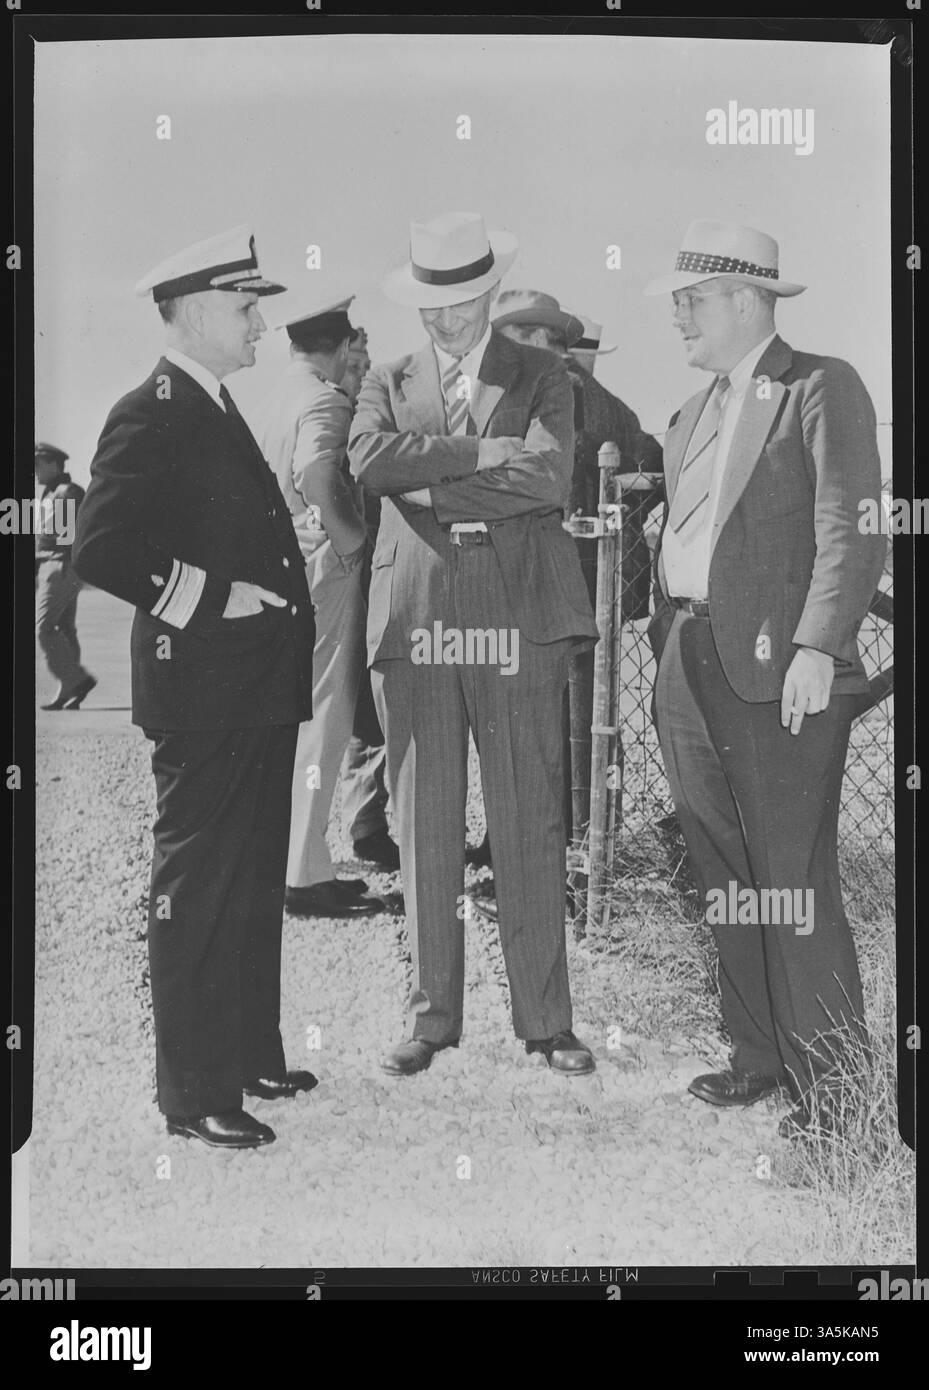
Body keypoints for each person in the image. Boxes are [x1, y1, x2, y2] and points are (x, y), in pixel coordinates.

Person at [72, 226, 317, 1150]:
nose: (260, 324)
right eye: (249, 307)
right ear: (204, 310)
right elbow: (104, 546)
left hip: (251, 686)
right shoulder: (155, 408)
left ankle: (249, 1051)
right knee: (201, 886)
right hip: (206, 689)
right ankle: (194, 1092)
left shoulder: (209, 404)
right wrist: (212, 597)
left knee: (249, 878)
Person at [643, 220, 886, 1136]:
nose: (678, 316)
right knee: (722, 869)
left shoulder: (819, 388)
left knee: (790, 877)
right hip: (687, 659)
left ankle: (835, 1101)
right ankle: (756, 1056)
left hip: (780, 671)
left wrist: (818, 647)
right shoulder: (695, 410)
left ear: (748, 300)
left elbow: (851, 526)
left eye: (692, 299)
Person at [349, 211, 599, 1077]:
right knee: (425, 820)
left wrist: (434, 492)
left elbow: (544, 477)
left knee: (529, 815)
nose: (448, 318)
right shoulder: (385, 377)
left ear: (490, 293)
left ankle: (545, 1021)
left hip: (519, 616)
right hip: (416, 619)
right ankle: (431, 1017)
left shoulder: (544, 374)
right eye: (433, 303)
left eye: (462, 301)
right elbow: (371, 461)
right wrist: (473, 451)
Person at [484, 290, 663, 859]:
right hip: (588, 591)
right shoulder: (602, 399)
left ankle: (550, 858)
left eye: (507, 340)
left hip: (544, 586)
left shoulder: (551, 393)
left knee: (542, 724)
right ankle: (575, 852)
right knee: (580, 722)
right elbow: (651, 462)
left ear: (536, 339)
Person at [254, 295, 383, 917]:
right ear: (337, 346)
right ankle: (302, 876)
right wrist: (354, 543)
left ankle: (294, 861)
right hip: (324, 570)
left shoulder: (276, 394)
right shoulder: (326, 400)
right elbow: (315, 472)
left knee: (292, 718)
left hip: (282, 568)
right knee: (323, 717)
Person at [338, 325, 401, 869]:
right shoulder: (338, 422)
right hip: (356, 590)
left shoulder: (368, 421)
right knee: (366, 716)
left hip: (374, 587)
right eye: (356, 363)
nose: (362, 374)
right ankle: (363, 825)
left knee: (369, 713)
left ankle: (366, 821)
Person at [35, 442, 96, 710]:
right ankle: (68, 692)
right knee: (65, 630)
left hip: (61, 567)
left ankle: (77, 680)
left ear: (54, 465)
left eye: (38, 464)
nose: (34, 470)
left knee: (44, 628)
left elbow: (75, 533)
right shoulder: (49, 494)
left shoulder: (69, 493)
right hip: (52, 567)